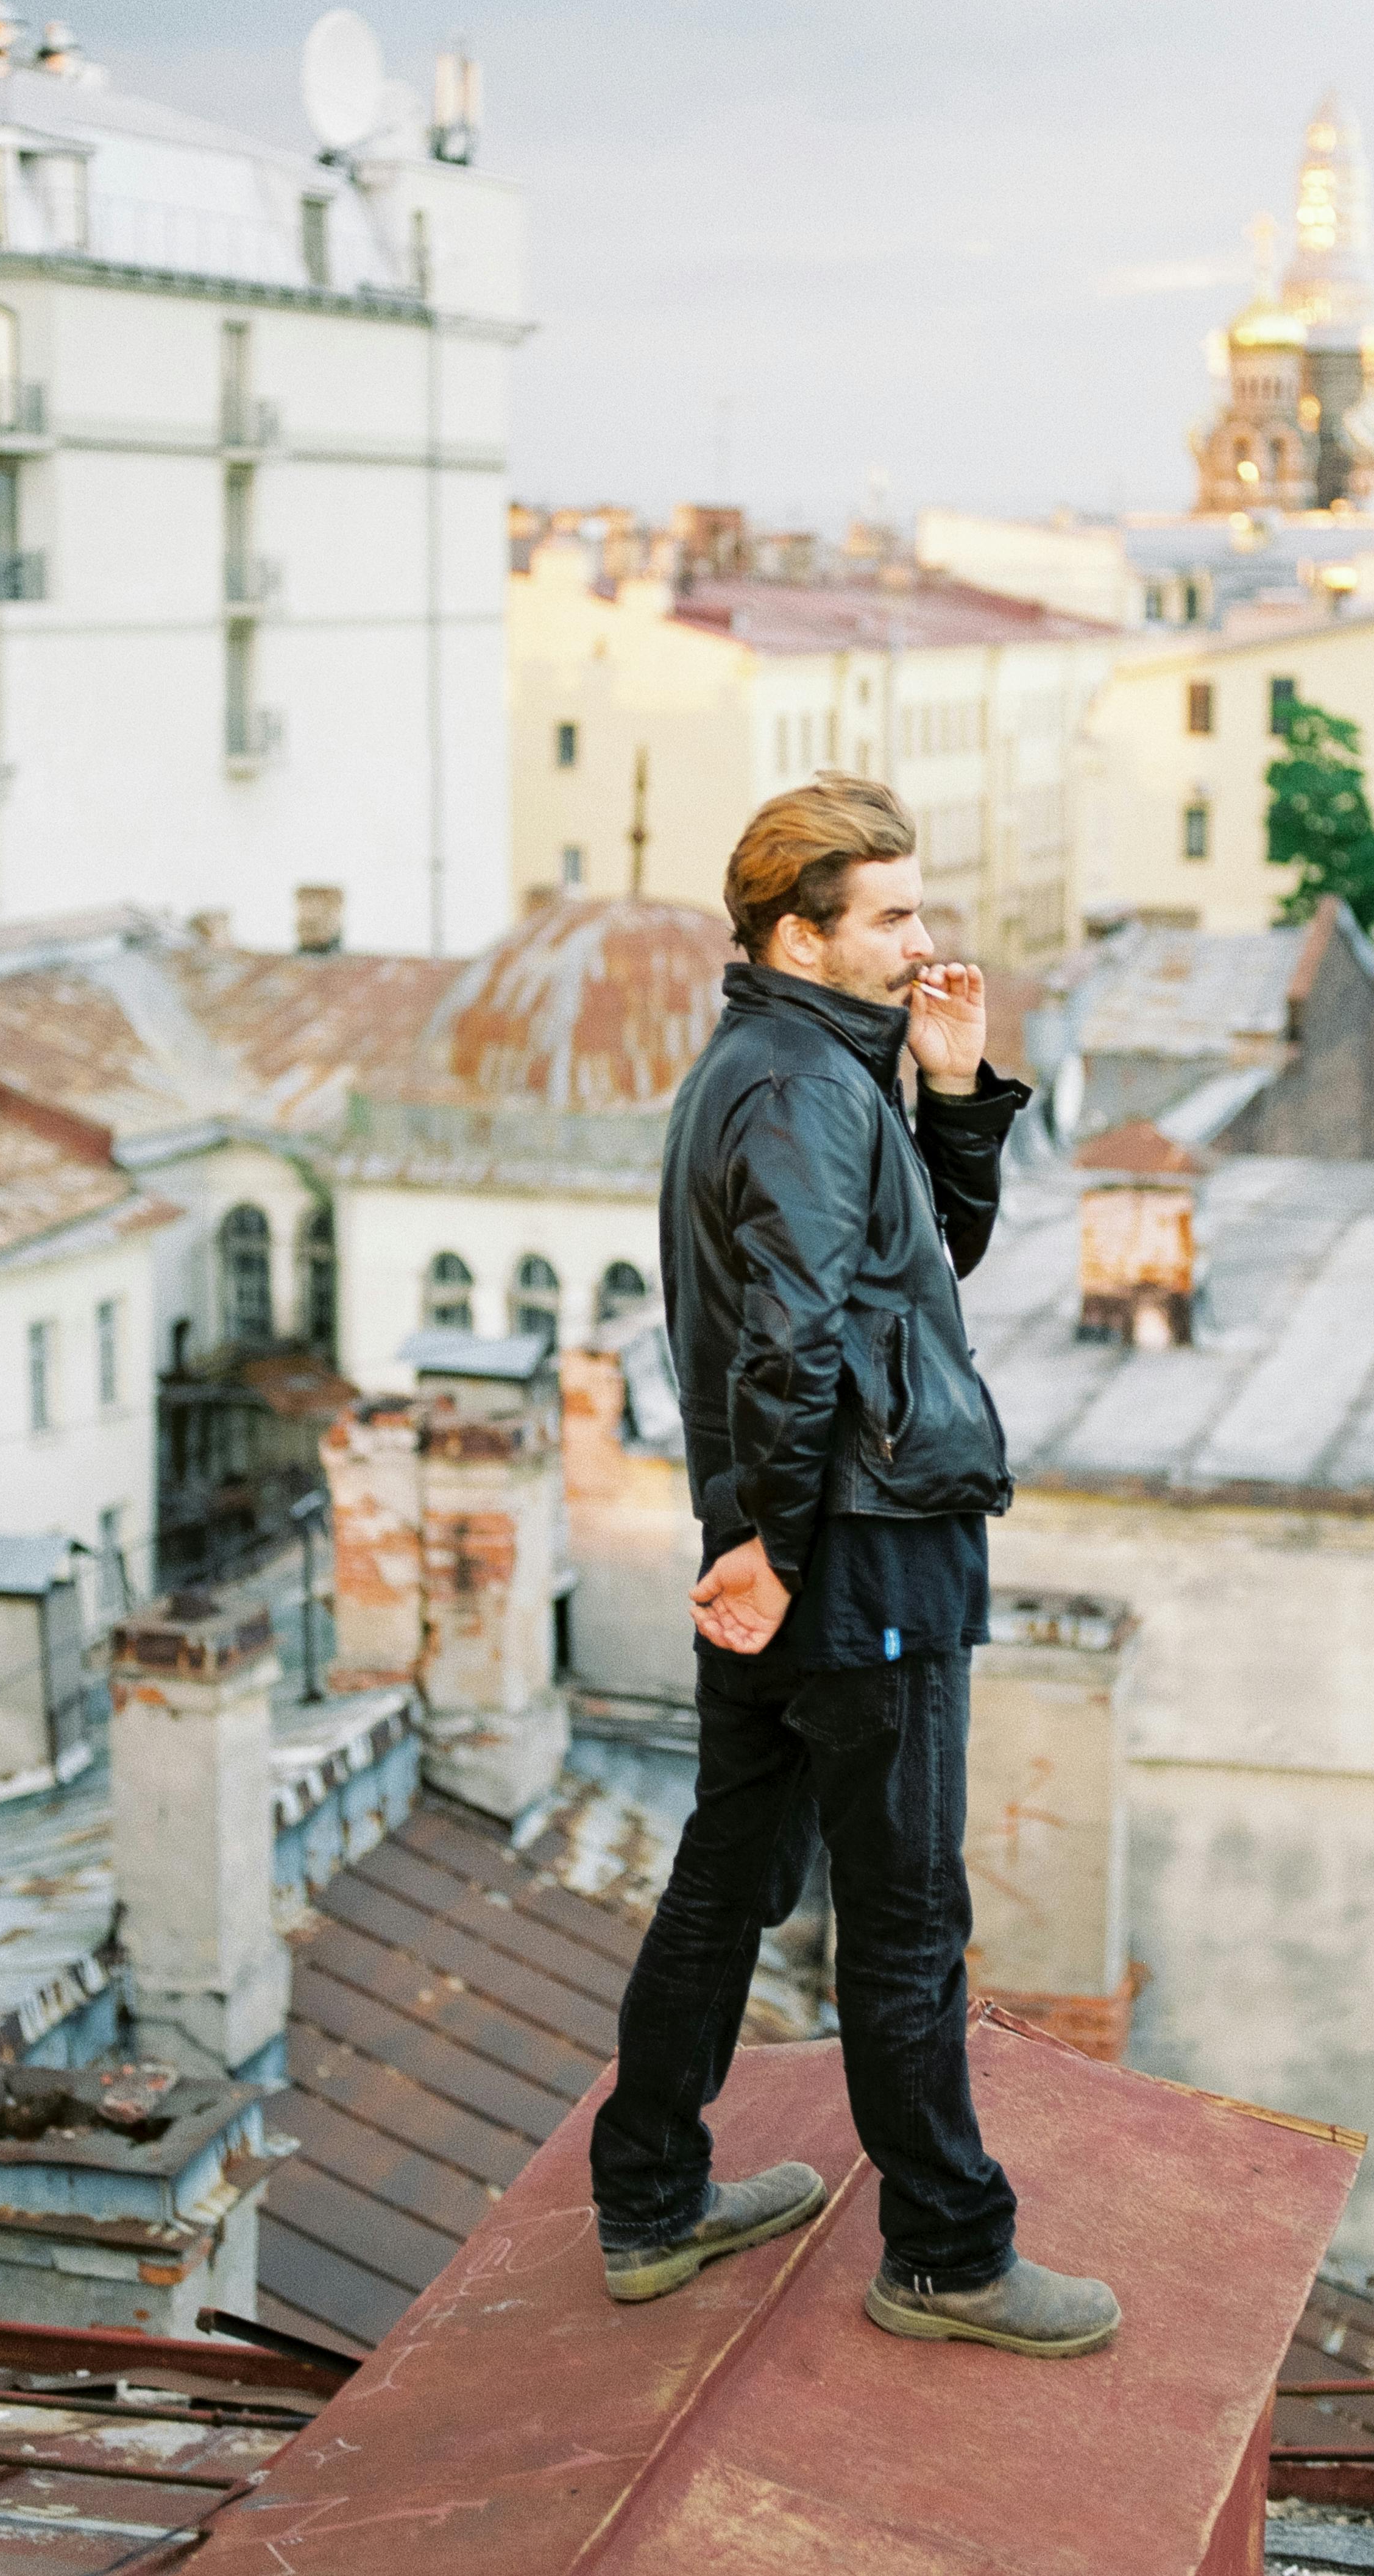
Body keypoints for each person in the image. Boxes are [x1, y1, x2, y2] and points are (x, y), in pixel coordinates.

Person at [588, 774, 1121, 2359]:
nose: (921, 941)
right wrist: (772, 1545)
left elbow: (917, 1271)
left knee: (730, 1872)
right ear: (795, 932)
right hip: (855, 1556)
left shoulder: (798, 1068)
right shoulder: (800, 1089)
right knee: (903, 1918)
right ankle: (948, 2255)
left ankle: (651, 2201)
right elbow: (795, 1338)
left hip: (793, 1537)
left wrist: (951, 1092)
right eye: (890, 917)